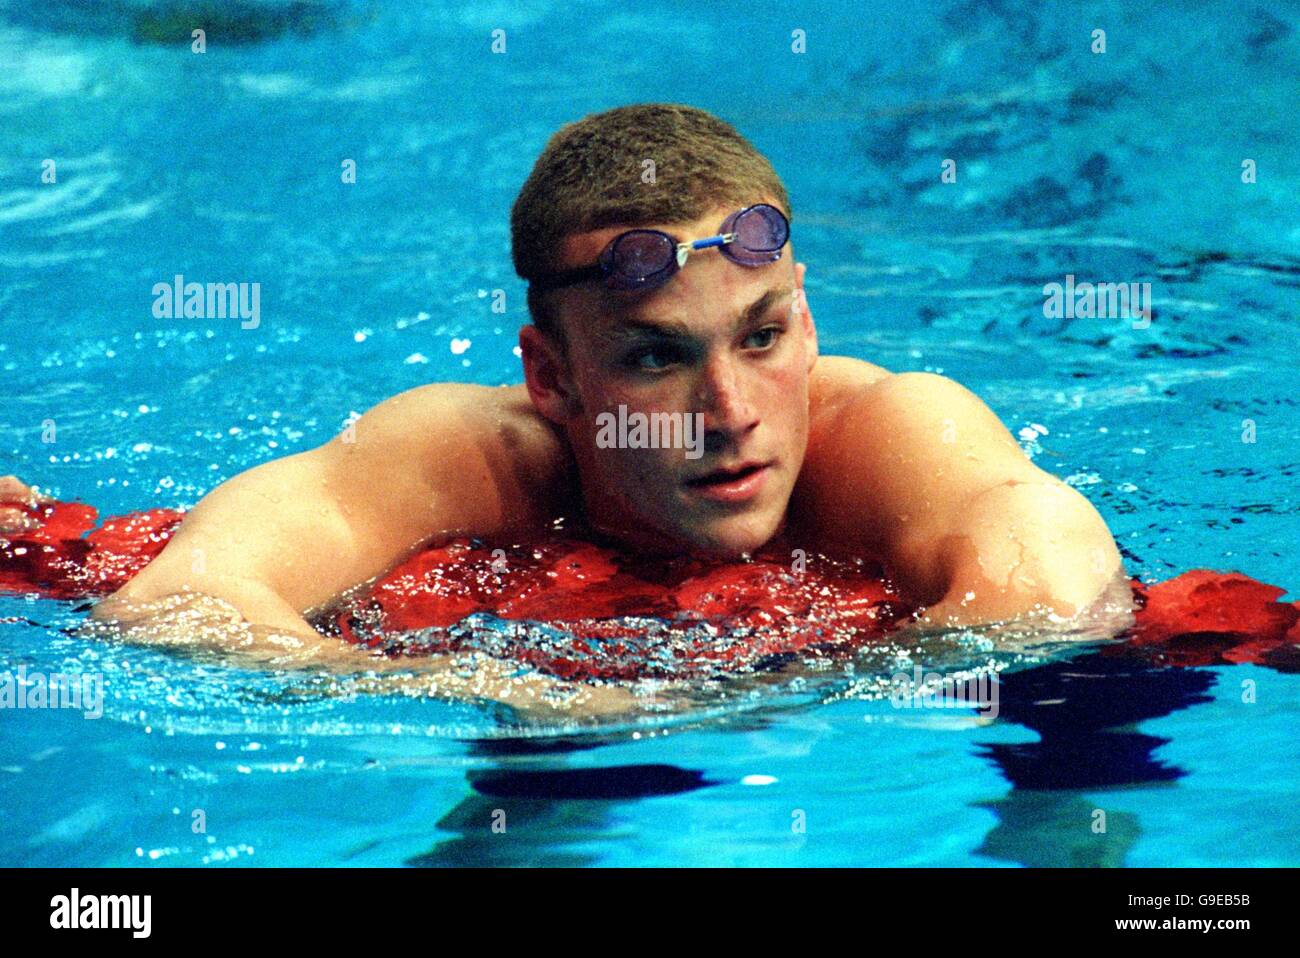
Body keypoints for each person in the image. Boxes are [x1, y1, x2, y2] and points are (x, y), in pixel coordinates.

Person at [0, 103, 1126, 715]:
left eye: (763, 335)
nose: (728, 410)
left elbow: (1053, 595)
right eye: (654, 357)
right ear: (552, 379)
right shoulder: (464, 460)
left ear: (810, 322)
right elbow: (178, 605)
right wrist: (497, 690)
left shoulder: (889, 436)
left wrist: (718, 698)